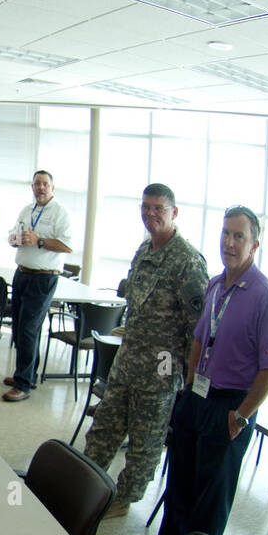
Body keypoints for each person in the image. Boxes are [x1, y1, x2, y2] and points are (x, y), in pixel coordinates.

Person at [128, 206, 268, 535]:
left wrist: (241, 416)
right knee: (180, 479)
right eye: (226, 233)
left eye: (239, 236)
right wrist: (188, 387)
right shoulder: (216, 284)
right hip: (197, 397)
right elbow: (199, 339)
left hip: (231, 405)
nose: (229, 242)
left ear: (254, 244)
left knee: (211, 495)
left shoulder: (265, 297)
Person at [82, 184, 208, 518]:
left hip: (162, 366)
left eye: (159, 209)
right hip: (129, 357)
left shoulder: (188, 262)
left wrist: (187, 377)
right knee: (105, 424)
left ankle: (124, 499)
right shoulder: (144, 250)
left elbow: (200, 328)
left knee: (145, 436)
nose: (151, 214)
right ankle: (86, 481)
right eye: (146, 207)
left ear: (174, 213)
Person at [3, 170, 72, 402]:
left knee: (29, 330)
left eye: (44, 184)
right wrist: (14, 239)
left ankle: (23, 385)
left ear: (52, 188)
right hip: (22, 273)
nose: (40, 188)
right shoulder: (27, 210)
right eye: (36, 184)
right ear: (32, 187)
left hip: (43, 277)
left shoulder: (60, 212)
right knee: (20, 328)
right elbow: (14, 232)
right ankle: (28, 374)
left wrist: (39, 241)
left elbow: (67, 245)